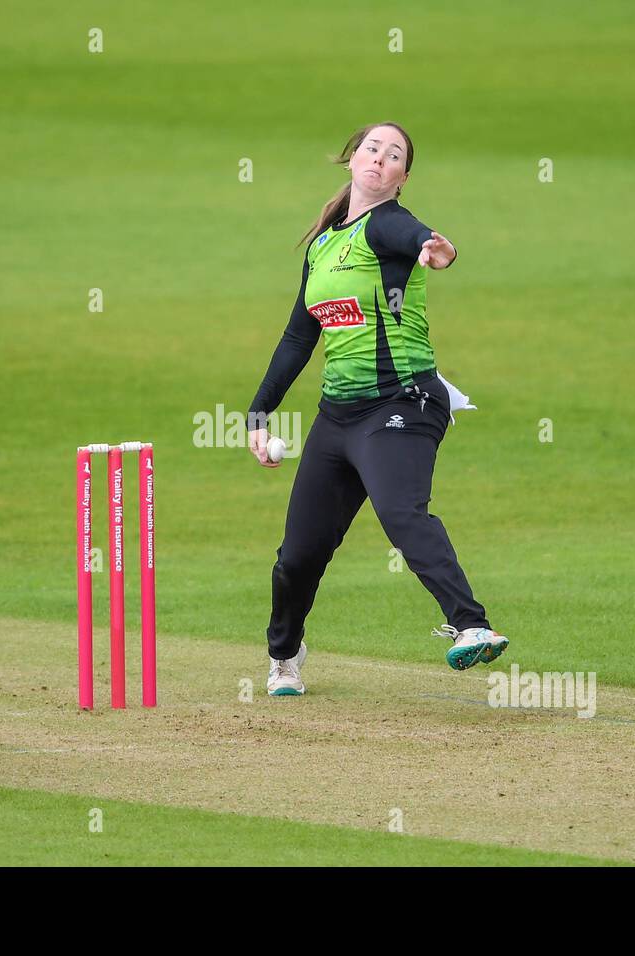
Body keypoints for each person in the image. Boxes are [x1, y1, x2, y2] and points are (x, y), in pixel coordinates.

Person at [246, 123, 507, 697]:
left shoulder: (388, 224)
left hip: (403, 402)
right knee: (298, 556)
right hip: (337, 418)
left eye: (395, 157)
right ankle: (284, 654)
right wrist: (258, 415)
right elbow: (297, 338)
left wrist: (438, 250)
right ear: (351, 160)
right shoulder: (322, 246)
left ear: (401, 178)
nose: (381, 159)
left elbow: (417, 236)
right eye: (372, 149)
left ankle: (471, 625)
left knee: (400, 511)